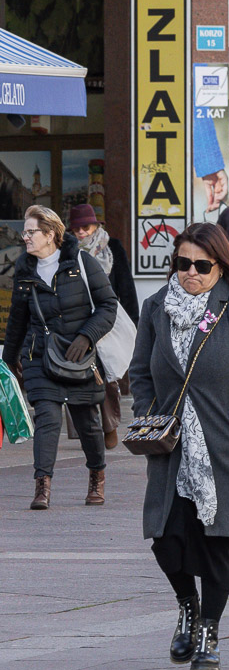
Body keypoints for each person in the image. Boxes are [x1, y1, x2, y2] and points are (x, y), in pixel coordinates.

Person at [128, 222, 229, 670]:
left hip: (226, 448)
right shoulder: (156, 308)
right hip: (171, 446)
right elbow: (140, 371)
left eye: (201, 265)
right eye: (182, 263)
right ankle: (187, 606)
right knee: (165, 540)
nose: (190, 272)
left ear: (219, 265)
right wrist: (148, 414)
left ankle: (209, 631)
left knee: (218, 547)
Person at [4, 205, 118, 509]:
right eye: (25, 232)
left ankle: (96, 477)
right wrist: (8, 359)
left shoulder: (82, 262)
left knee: (88, 423)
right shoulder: (25, 270)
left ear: (51, 234)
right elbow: (17, 318)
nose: (25, 237)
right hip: (39, 356)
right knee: (47, 419)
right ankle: (42, 487)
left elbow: (108, 305)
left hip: (78, 356)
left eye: (31, 232)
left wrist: (86, 336)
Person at [67, 204, 138, 450]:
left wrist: (134, 321)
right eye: (75, 228)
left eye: (85, 227)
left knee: (106, 373)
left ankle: (109, 425)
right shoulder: (66, 252)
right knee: (74, 372)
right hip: (76, 319)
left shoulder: (112, 248)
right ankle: (85, 429)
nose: (81, 233)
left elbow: (126, 287)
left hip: (108, 318)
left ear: (96, 225)